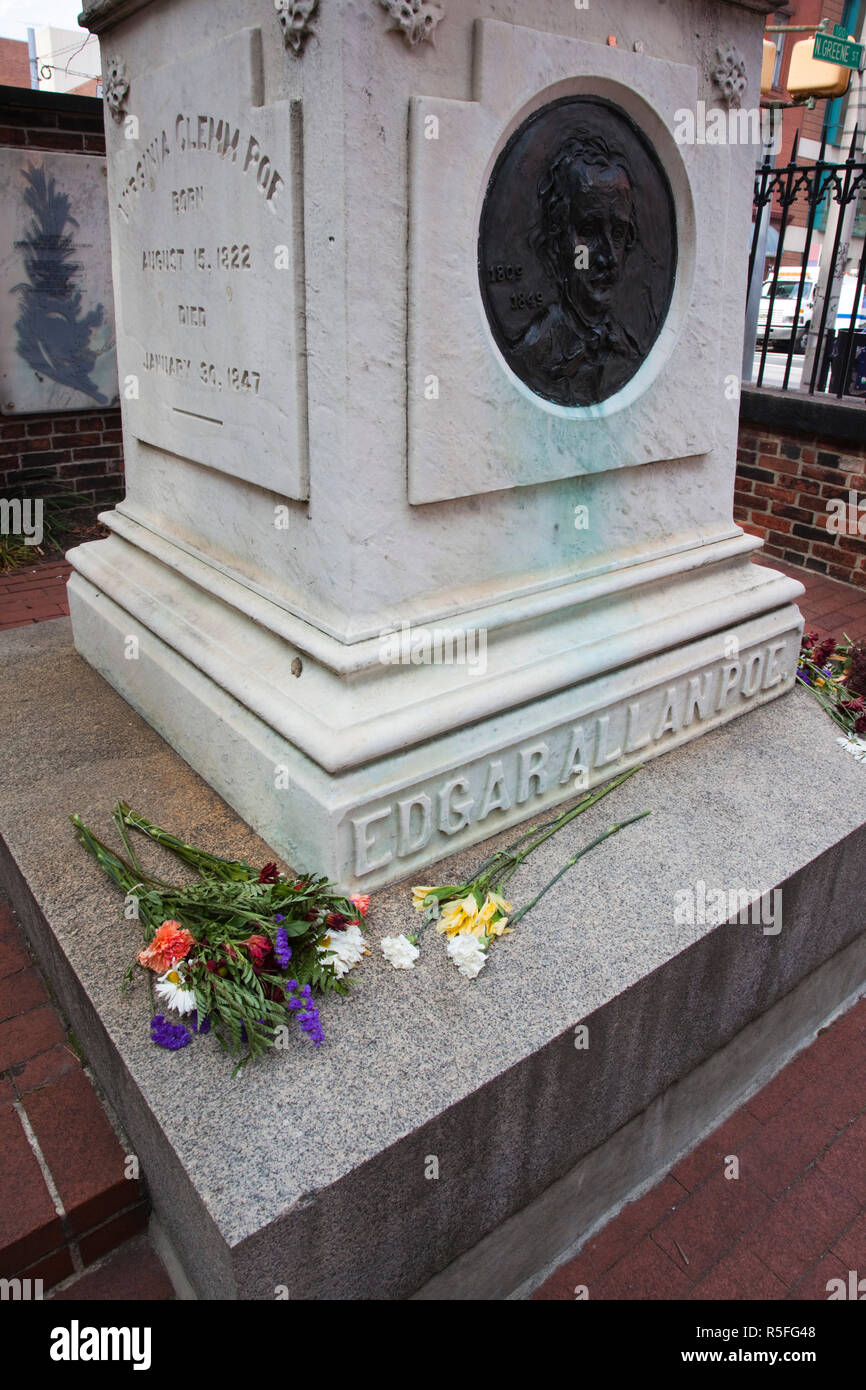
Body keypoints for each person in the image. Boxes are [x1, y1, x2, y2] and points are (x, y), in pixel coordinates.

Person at [511, 132, 644, 406]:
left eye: (617, 232)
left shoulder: (629, 353)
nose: (607, 257)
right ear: (558, 241)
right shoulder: (533, 354)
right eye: (588, 231)